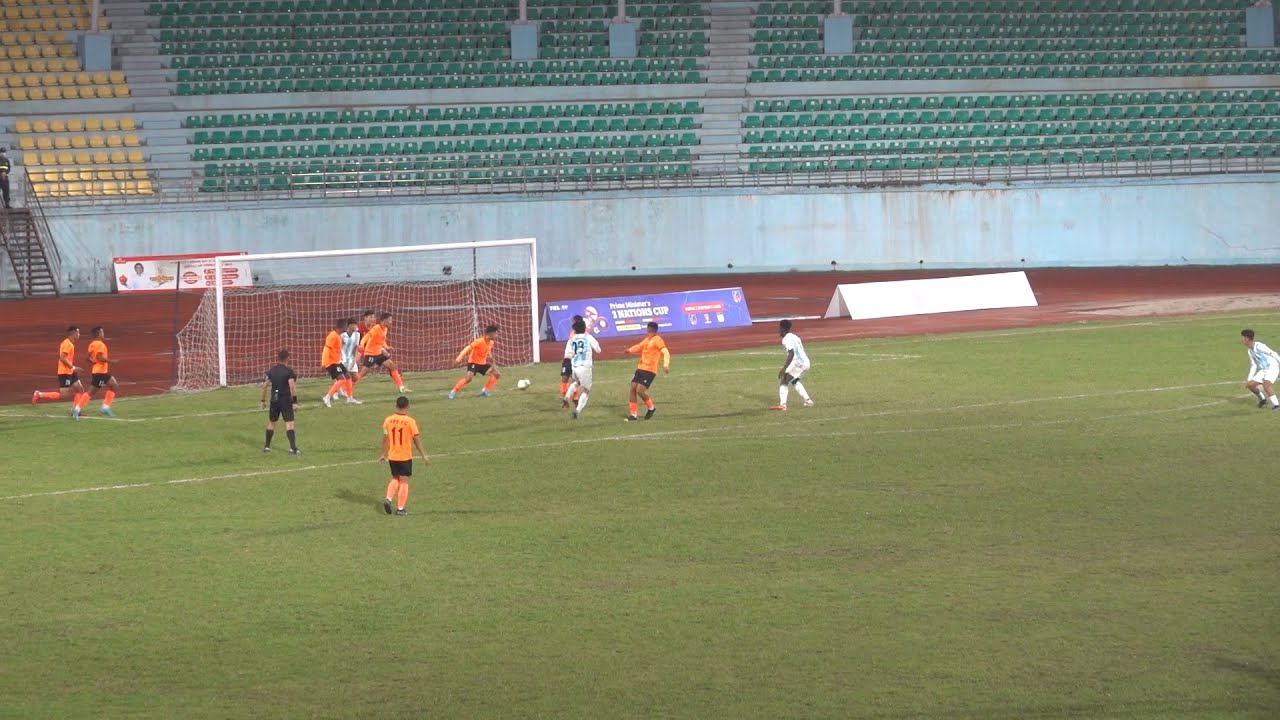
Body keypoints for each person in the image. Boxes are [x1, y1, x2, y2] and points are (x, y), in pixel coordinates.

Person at [380, 395, 429, 516]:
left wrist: (383, 454)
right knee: (404, 481)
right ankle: (400, 509)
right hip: (405, 456)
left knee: (395, 478)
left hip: (392, 456)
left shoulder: (388, 420)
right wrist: (424, 455)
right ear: (407, 407)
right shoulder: (410, 422)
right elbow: (416, 440)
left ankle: (388, 498)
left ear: (396, 406)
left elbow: (386, 438)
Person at [32, 325, 88, 419]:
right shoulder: (67, 344)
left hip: (70, 371)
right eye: (78, 332)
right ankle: (40, 394)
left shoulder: (70, 343)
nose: (79, 334)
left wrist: (72, 368)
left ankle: (75, 410)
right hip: (64, 372)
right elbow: (62, 358)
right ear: (73, 332)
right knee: (63, 395)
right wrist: (73, 367)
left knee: (80, 389)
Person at [624, 321, 670, 421]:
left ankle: (651, 408)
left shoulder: (657, 340)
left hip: (649, 370)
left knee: (639, 390)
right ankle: (633, 415)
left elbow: (665, 352)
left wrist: (666, 364)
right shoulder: (647, 339)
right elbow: (639, 346)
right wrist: (630, 350)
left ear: (650, 329)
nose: (646, 329)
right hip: (640, 368)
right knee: (633, 388)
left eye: (647, 328)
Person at [355, 311, 409, 393]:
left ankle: (402, 387)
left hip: (379, 353)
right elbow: (367, 336)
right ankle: (349, 387)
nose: (391, 322)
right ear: (384, 321)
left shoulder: (385, 329)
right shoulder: (376, 328)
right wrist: (362, 344)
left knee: (392, 366)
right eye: (390, 320)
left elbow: (382, 340)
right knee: (363, 372)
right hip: (370, 354)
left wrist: (387, 347)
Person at [260, 349, 301, 455]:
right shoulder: (289, 372)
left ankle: (267, 447)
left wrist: (263, 400)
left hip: (274, 399)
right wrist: (295, 402)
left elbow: (264, 386)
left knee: (272, 422)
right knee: (289, 423)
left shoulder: (271, 371)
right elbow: (292, 386)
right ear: (287, 358)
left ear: (278, 358)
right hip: (285, 400)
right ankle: (293, 449)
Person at [563, 317, 602, 419]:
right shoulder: (588, 337)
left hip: (574, 367)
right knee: (586, 391)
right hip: (585, 367)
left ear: (574, 329)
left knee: (576, 382)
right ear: (585, 328)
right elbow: (598, 350)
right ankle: (577, 411)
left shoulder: (571, 339)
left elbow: (568, 354)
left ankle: (566, 397)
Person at [449, 324, 501, 398]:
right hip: (473, 363)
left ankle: (485, 391)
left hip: (482, 364)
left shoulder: (491, 342)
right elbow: (467, 348)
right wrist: (458, 359)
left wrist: (489, 355)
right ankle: (453, 392)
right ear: (491, 334)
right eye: (496, 333)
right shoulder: (479, 341)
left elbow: (486, 350)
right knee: (468, 379)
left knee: (497, 374)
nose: (496, 335)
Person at [772, 319, 814, 411]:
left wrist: (784, 368)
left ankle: (783, 405)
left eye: (779, 328)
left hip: (799, 363)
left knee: (784, 381)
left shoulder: (786, 339)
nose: (778, 330)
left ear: (782, 328)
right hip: (805, 362)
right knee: (794, 381)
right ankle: (808, 400)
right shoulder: (795, 337)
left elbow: (791, 353)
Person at [320, 318, 360, 407]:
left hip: (337, 361)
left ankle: (350, 398)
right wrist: (324, 363)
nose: (347, 327)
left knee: (348, 377)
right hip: (331, 362)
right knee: (342, 379)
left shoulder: (338, 336)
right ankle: (327, 397)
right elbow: (326, 349)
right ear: (343, 326)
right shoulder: (332, 336)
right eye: (346, 326)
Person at [84, 325, 120, 417]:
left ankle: (105, 407)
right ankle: (77, 407)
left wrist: (94, 363)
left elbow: (87, 358)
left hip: (101, 371)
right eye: (102, 332)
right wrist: (112, 361)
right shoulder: (100, 344)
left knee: (114, 385)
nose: (103, 334)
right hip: (100, 372)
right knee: (91, 392)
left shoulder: (92, 344)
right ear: (99, 334)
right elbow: (100, 357)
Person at [1241, 328, 1280, 410]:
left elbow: (1274, 354)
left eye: (1243, 337)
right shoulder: (1250, 350)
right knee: (1251, 385)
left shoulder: (1260, 346)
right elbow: (1254, 365)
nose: (1241, 340)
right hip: (1264, 370)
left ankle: (1277, 405)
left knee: (1266, 385)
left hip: (1273, 368)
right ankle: (1263, 400)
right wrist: (1249, 379)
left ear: (1247, 339)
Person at [560, 314, 584, 402]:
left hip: (574, 359)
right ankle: (567, 398)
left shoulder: (580, 334)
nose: (571, 323)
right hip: (568, 359)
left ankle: (574, 397)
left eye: (573, 321)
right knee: (565, 378)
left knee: (569, 379)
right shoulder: (574, 333)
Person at [337, 317, 361, 399]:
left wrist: (355, 359)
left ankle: (342, 390)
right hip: (342, 358)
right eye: (354, 325)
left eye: (356, 325)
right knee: (342, 377)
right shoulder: (342, 336)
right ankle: (335, 393)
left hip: (351, 358)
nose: (355, 327)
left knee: (355, 377)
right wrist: (339, 358)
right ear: (349, 326)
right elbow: (339, 348)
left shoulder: (357, 335)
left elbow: (356, 347)